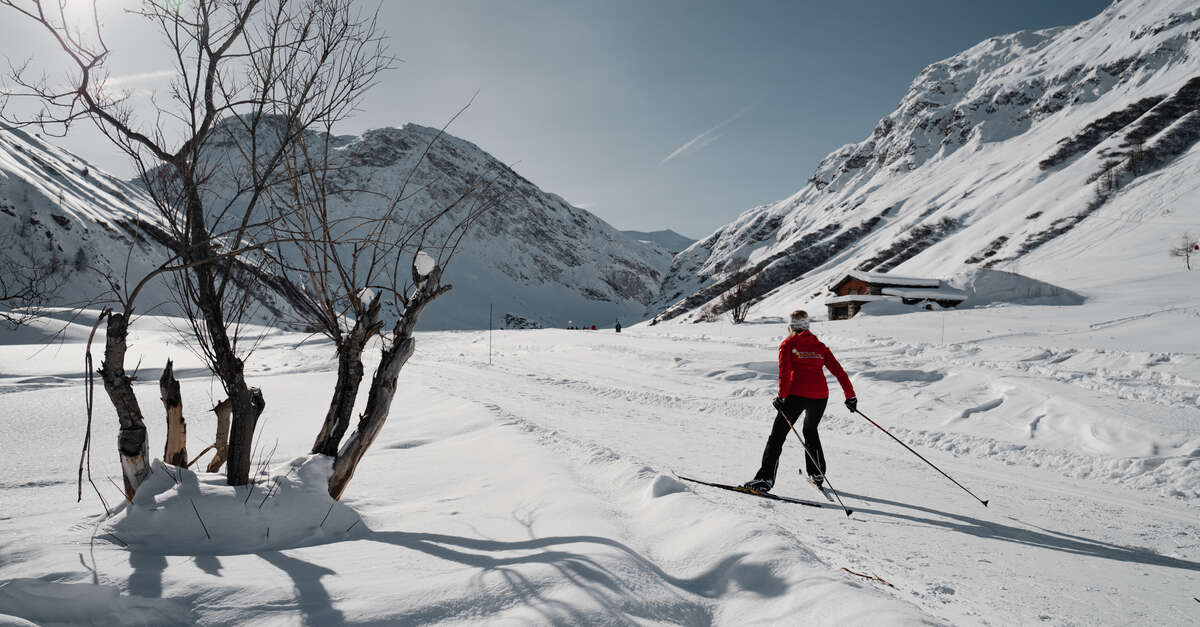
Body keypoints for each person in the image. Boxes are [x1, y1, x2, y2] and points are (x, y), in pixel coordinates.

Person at [744, 310, 857, 492]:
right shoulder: (820, 346)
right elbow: (839, 371)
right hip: (820, 396)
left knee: (777, 437)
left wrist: (782, 397)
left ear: (790, 327)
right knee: (810, 431)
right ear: (807, 326)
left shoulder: (788, 344)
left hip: (796, 395)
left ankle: (765, 479)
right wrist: (850, 396)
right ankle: (817, 473)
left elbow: (784, 374)